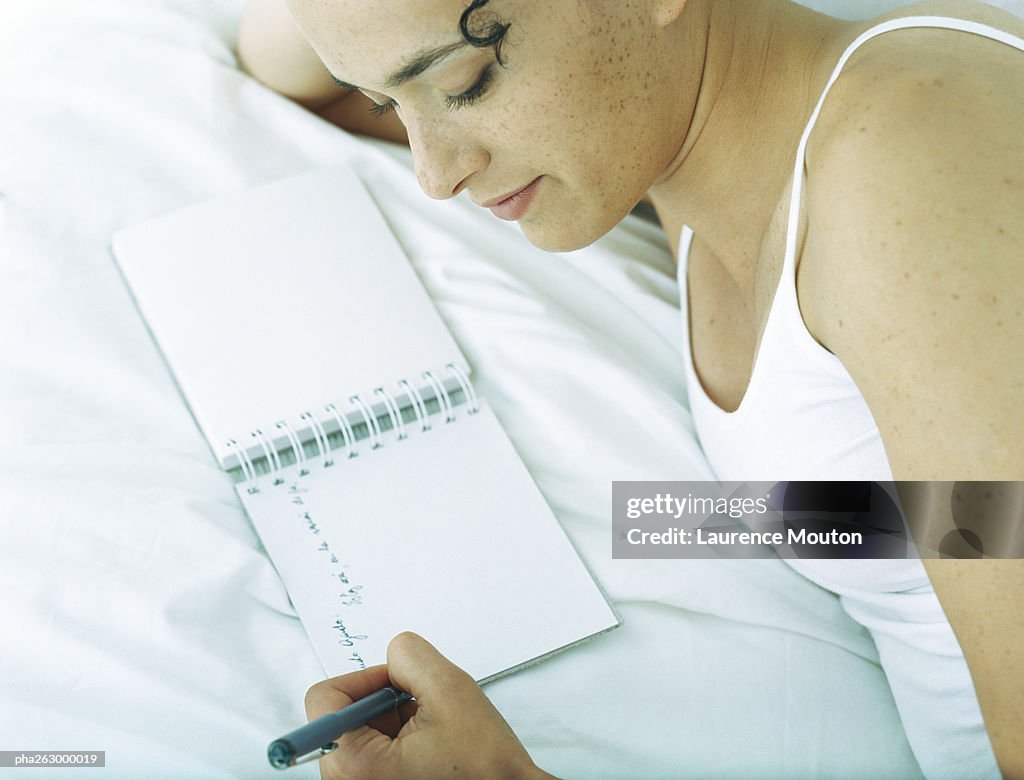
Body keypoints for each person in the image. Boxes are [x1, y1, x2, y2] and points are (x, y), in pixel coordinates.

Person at [237, 0, 1024, 777]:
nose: (434, 177)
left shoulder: (912, 155)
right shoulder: (695, 144)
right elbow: (286, 65)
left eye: (467, 80)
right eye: (389, 102)